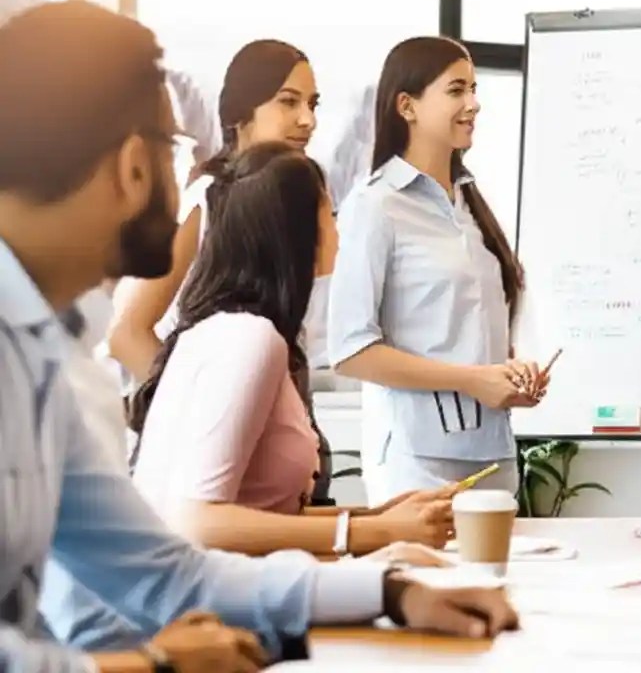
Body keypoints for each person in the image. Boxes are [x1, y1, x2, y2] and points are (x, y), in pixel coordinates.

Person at [0, 1, 516, 671]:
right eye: (175, 148)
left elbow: (169, 573)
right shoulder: (222, 336)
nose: (195, 173)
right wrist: (145, 667)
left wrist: (387, 587)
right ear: (132, 167)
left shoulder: (57, 361)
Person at [128, 141, 452, 561]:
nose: (339, 227)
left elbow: (253, 512)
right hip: (214, 607)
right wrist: (371, 532)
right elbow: (200, 523)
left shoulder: (223, 331)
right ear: (297, 231)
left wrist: (378, 521)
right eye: (328, 212)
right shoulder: (250, 339)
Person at [328, 36, 546, 505]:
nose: (473, 104)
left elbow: (473, 325)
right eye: (456, 90)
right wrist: (473, 379)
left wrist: (514, 372)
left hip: (493, 455)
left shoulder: (472, 203)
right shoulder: (374, 206)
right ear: (407, 106)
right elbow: (350, 351)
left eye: (474, 88)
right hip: (415, 461)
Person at [108, 38, 322, 385]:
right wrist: (195, 412)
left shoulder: (283, 205)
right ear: (240, 113)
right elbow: (126, 333)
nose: (307, 120)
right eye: (288, 102)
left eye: (313, 105)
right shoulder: (207, 200)